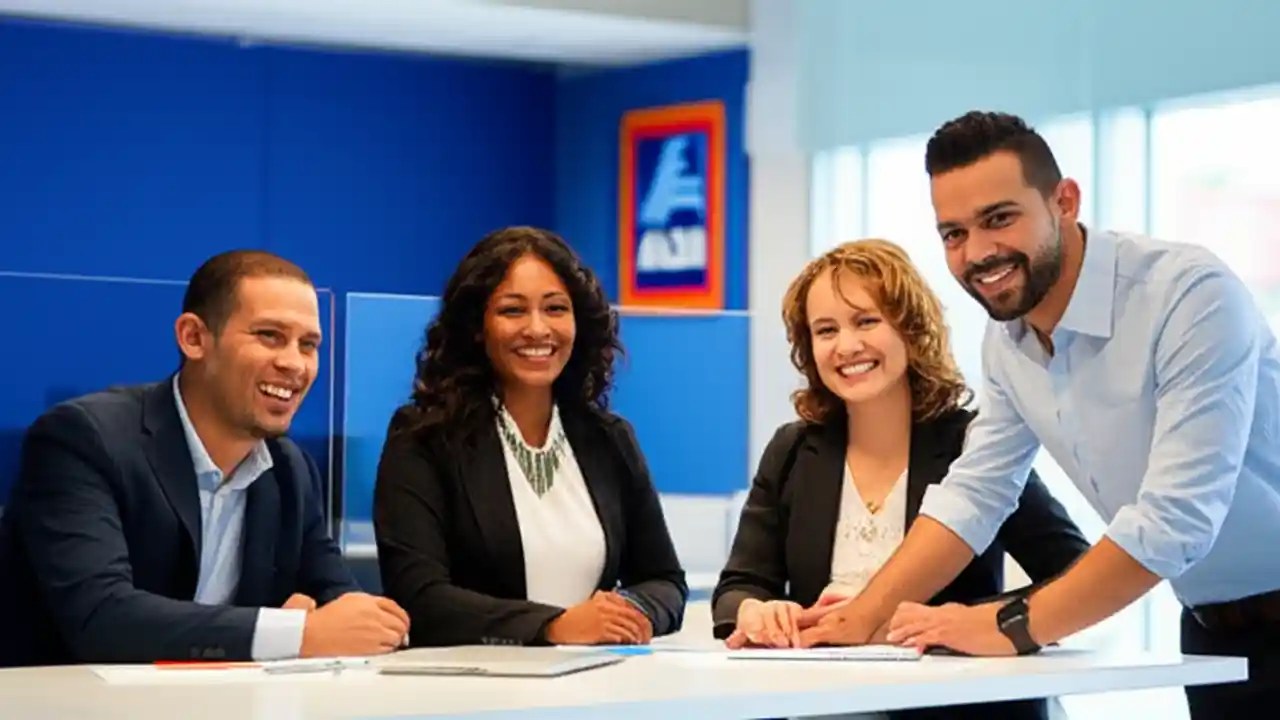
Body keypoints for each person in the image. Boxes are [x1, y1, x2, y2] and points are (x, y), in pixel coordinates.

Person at [800, 110, 1280, 717]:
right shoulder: (1008, 342)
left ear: (1065, 201)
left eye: (999, 219)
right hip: (1214, 628)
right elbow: (976, 493)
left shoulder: (1189, 295)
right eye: (953, 233)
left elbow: (1174, 520)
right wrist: (862, 618)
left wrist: (1009, 625)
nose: (977, 252)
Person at [714, 238, 1088, 720]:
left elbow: (1073, 572)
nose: (847, 346)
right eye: (825, 330)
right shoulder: (791, 451)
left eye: (867, 321)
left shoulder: (975, 447)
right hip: (820, 707)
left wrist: (957, 622)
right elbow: (739, 587)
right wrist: (755, 612)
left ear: (911, 329)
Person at [0, 250, 410, 667]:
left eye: (308, 345)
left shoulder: (291, 470)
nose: (294, 364)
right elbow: (101, 618)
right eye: (269, 335)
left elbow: (345, 605)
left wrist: (367, 622)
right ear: (193, 338)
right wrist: (300, 633)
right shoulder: (84, 439)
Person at [374, 226, 687, 647]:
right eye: (513, 311)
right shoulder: (423, 437)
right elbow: (419, 597)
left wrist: (632, 612)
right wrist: (552, 626)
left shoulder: (609, 439)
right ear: (477, 326)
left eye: (556, 308)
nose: (538, 329)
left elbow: (663, 580)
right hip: (472, 692)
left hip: (598, 685)